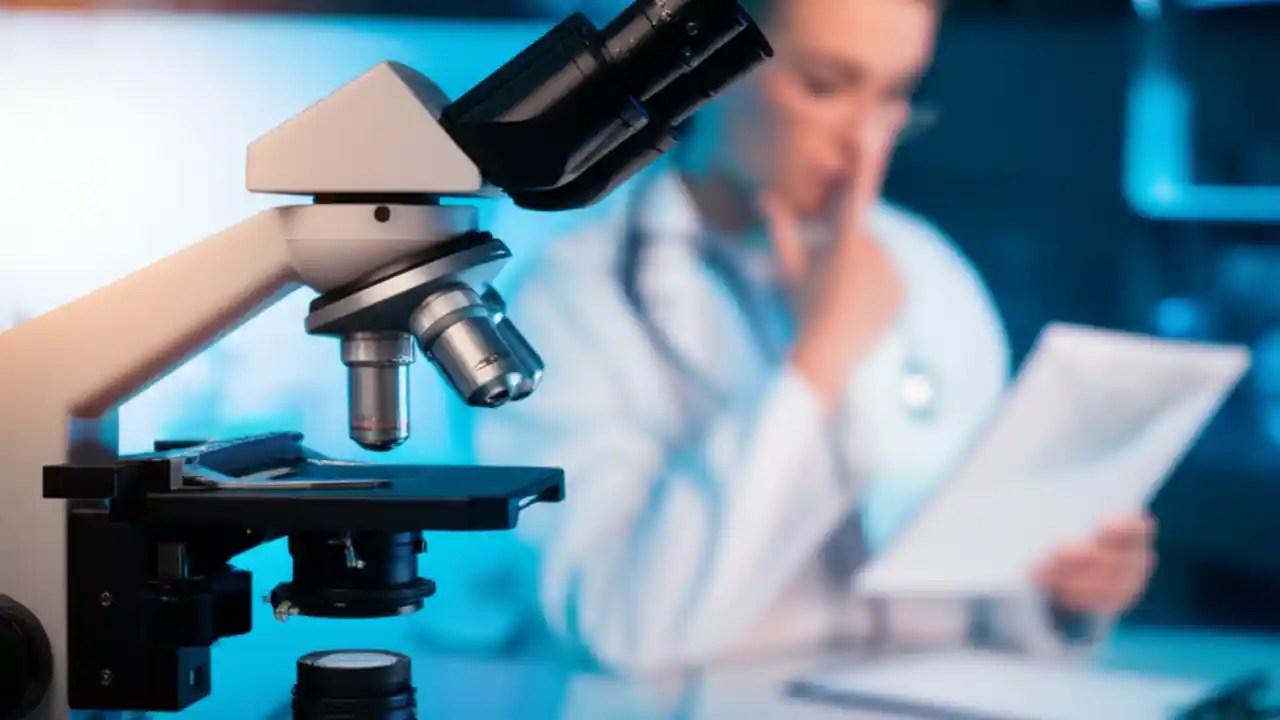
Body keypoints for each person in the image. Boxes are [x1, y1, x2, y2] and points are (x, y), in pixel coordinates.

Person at [476, 0, 1156, 674]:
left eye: (894, 96)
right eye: (825, 87)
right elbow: (622, 625)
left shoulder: (929, 270)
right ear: (705, 71)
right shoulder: (574, 296)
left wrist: (1063, 590)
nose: (866, 142)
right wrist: (820, 357)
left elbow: (971, 583)